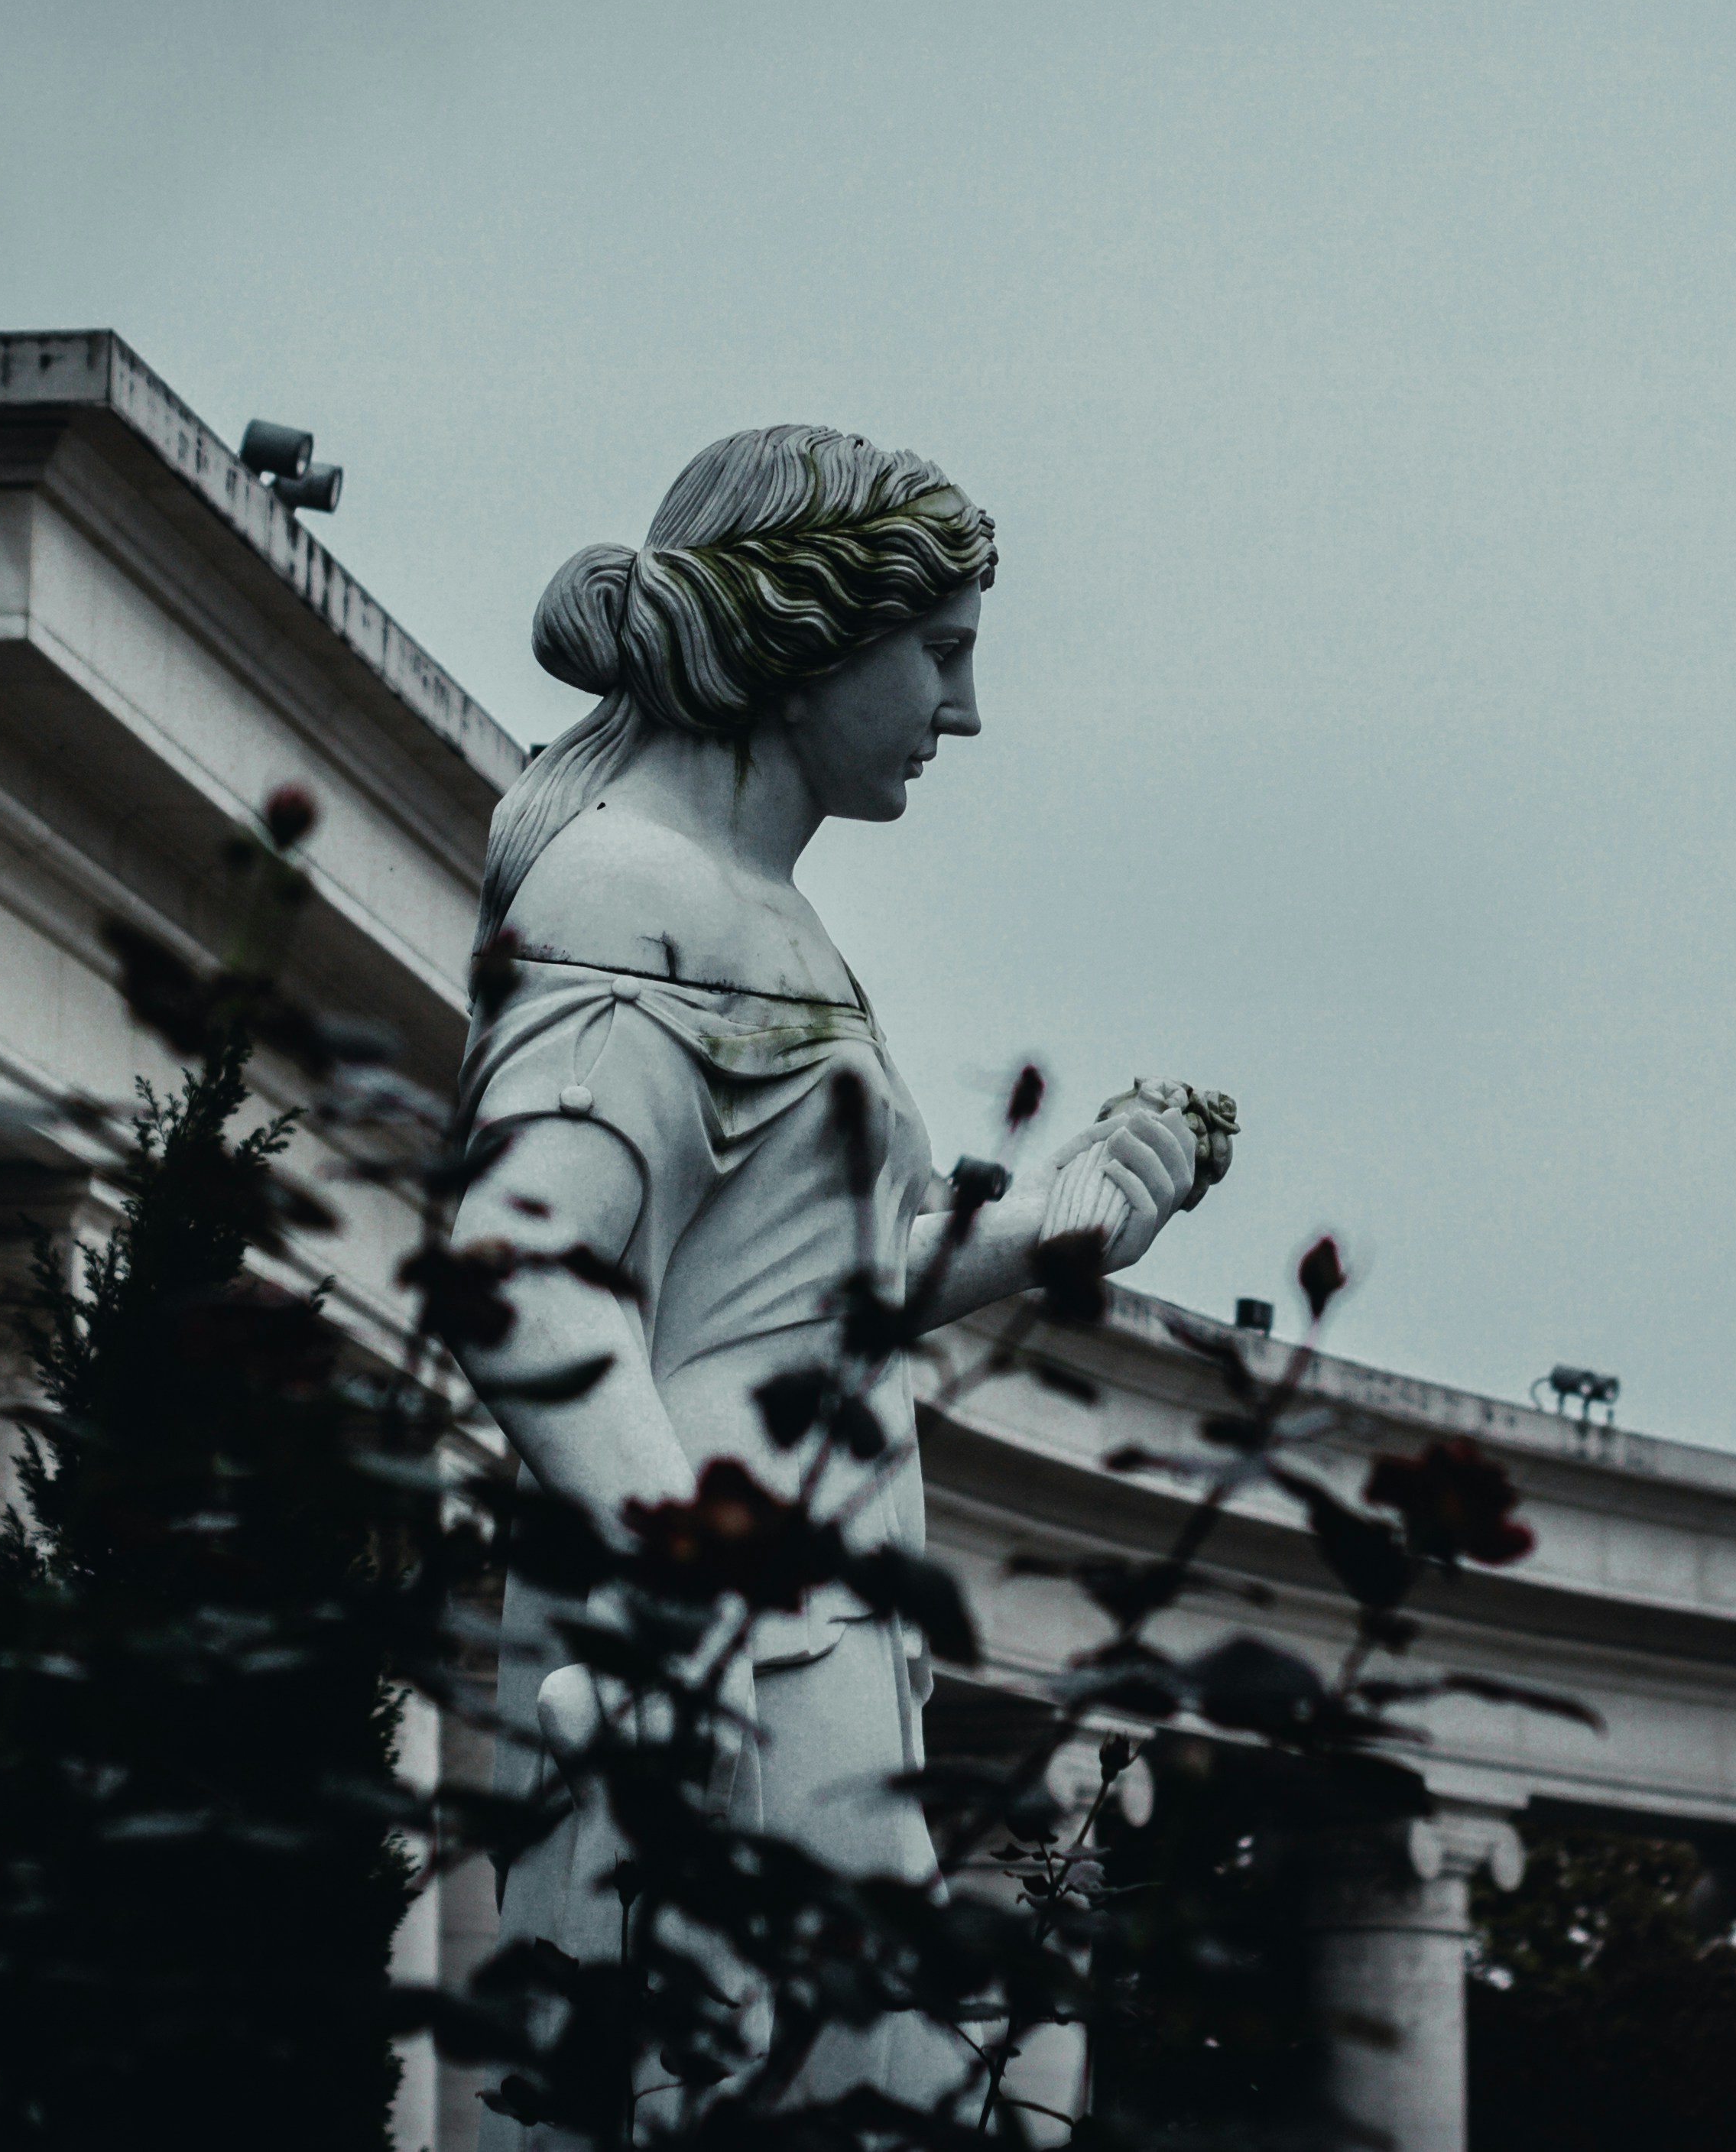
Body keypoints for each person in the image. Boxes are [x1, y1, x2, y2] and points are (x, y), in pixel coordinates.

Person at [452, 424, 1213, 2145]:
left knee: (855, 2081)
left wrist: (1051, 1226)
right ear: (808, 630)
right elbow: (518, 1272)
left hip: (796, 1611)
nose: (961, 713)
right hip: (728, 1620)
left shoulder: (750, 910)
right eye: (937, 655)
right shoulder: (638, 892)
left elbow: (807, 1290)